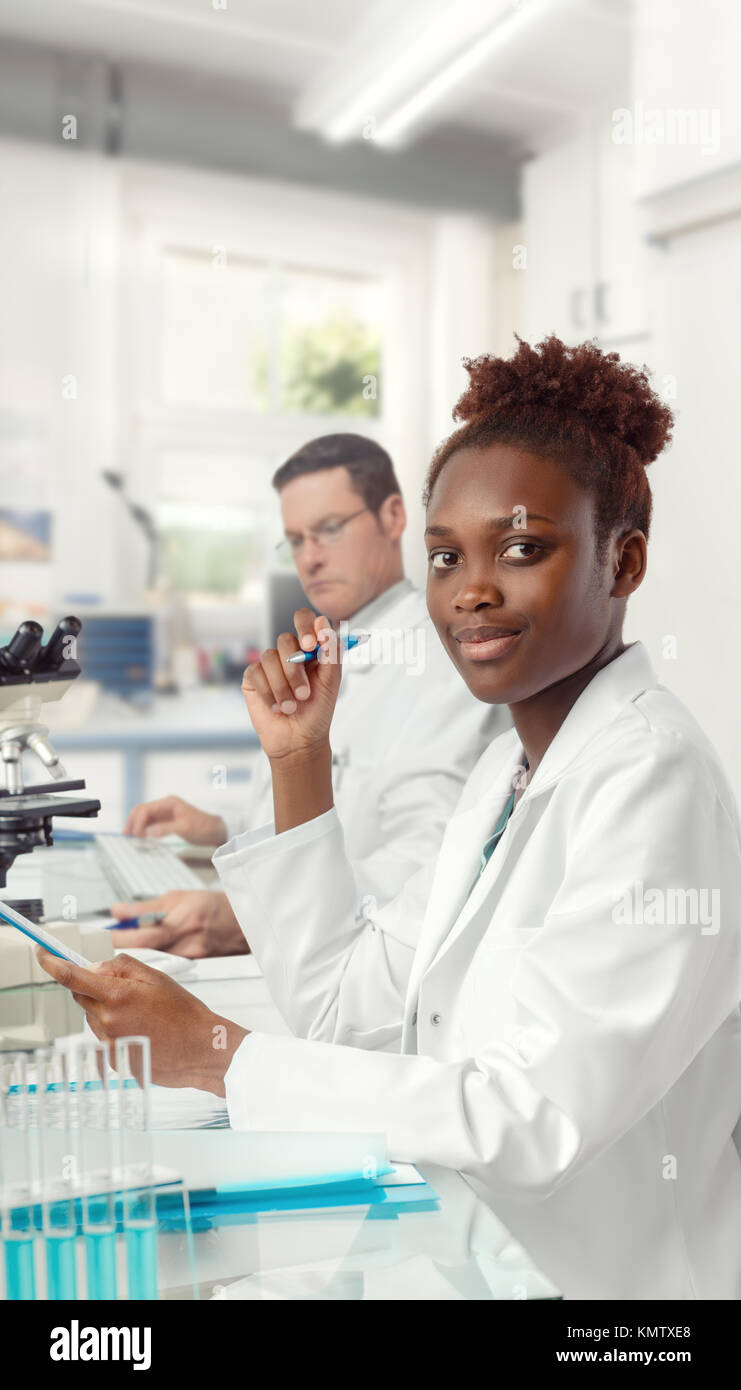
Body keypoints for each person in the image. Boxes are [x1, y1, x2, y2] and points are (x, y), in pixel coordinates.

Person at [41, 336, 741, 1301]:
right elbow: (344, 1010)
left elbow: (532, 1121)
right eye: (447, 557)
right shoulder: (510, 769)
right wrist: (299, 762)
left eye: (523, 548)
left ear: (623, 564)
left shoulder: (650, 778)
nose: (472, 589)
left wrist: (215, 1054)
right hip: (466, 1257)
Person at [110, 434, 505, 957]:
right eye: (295, 539)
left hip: (358, 963)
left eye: (328, 530)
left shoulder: (444, 660)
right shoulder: (335, 644)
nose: (310, 558)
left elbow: (427, 866)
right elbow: (336, 803)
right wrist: (222, 827)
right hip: (298, 947)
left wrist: (255, 919)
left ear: (392, 517)